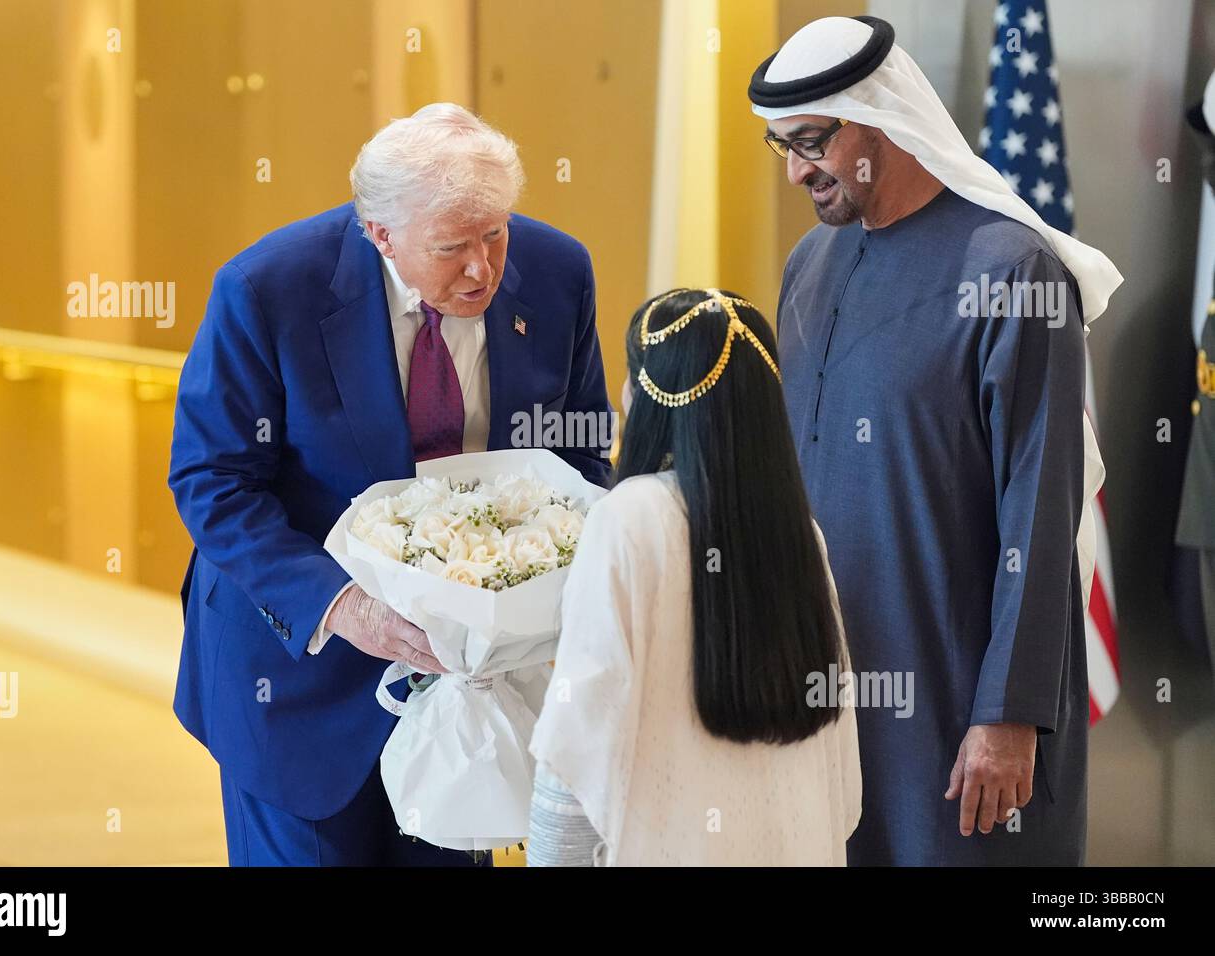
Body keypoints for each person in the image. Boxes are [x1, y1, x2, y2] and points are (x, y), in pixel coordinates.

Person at [168, 103, 612, 866]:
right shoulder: (267, 288)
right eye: (452, 248)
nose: (483, 269)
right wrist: (344, 607)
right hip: (293, 681)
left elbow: (581, 459)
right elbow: (214, 480)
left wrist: (542, 603)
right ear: (380, 233)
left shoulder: (559, 272)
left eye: (495, 234)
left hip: (467, 686)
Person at [747, 16, 1122, 864]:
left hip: (962, 704)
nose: (800, 170)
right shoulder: (811, 262)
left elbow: (1042, 503)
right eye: (783, 147)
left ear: (879, 119)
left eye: (812, 141)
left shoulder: (1014, 271)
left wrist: (1010, 711)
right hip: (832, 690)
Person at [527, 289, 861, 866]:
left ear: (648, 397)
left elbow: (576, 755)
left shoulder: (628, 518)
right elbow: (843, 790)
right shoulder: (801, 532)